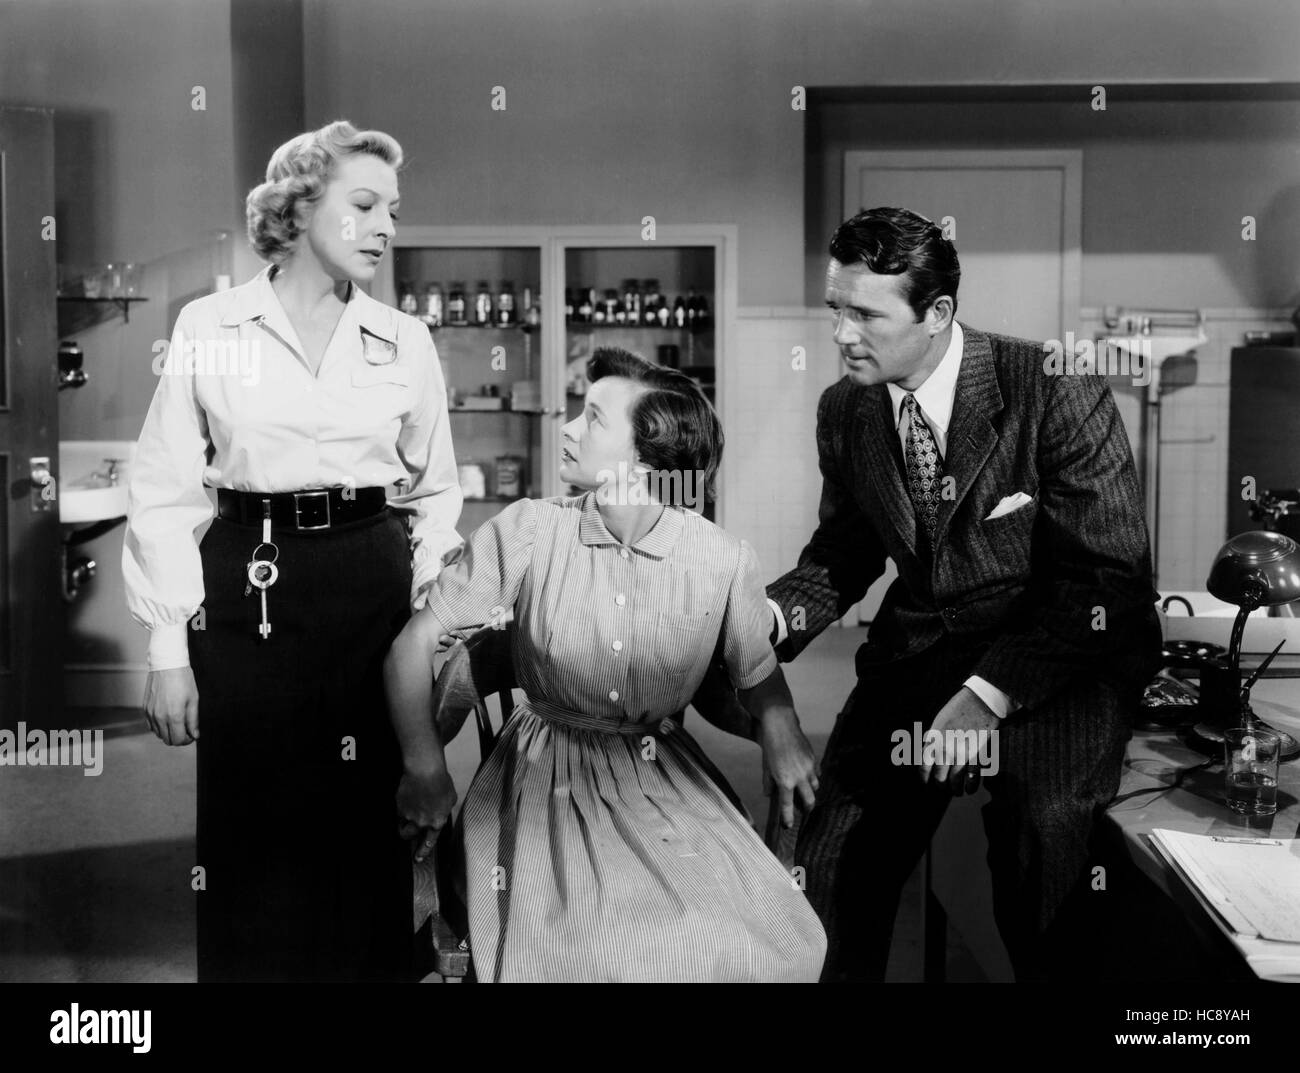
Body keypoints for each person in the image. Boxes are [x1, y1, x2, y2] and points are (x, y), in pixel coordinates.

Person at [766, 207, 1161, 981]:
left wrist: (988, 695)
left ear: (937, 312)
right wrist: (768, 619)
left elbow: (1106, 582)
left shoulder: (1053, 386)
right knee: (820, 857)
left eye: (865, 314)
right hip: (920, 653)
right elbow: (844, 555)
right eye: (835, 310)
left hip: (1056, 656)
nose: (841, 334)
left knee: (1042, 841)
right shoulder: (845, 409)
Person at [123, 120, 463, 982]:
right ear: (301, 205)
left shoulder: (405, 340)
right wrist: (168, 649)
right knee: (252, 829)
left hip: (370, 582)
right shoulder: (210, 323)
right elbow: (163, 488)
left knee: (366, 824)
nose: (387, 225)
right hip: (249, 580)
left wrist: (433, 621)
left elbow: (434, 494)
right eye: (364, 204)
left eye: (393, 208)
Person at [385, 348, 828, 982]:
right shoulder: (532, 529)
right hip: (541, 779)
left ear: (648, 455)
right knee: (593, 947)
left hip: (665, 783)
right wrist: (424, 765)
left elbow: (755, 673)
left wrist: (779, 721)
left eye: (592, 419)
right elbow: (412, 646)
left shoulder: (721, 559)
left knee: (730, 936)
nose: (566, 428)